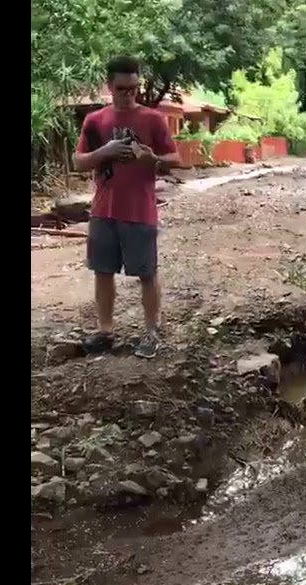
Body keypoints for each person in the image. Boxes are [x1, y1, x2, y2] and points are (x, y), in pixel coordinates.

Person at [73, 55, 181, 359]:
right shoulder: (95, 121)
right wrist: (105, 151)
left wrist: (153, 159)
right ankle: (105, 332)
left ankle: (151, 332)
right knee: (102, 271)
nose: (128, 94)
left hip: (140, 210)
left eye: (134, 88)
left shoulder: (152, 119)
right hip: (103, 210)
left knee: (146, 273)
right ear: (109, 86)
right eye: (122, 88)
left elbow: (177, 159)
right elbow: (78, 162)